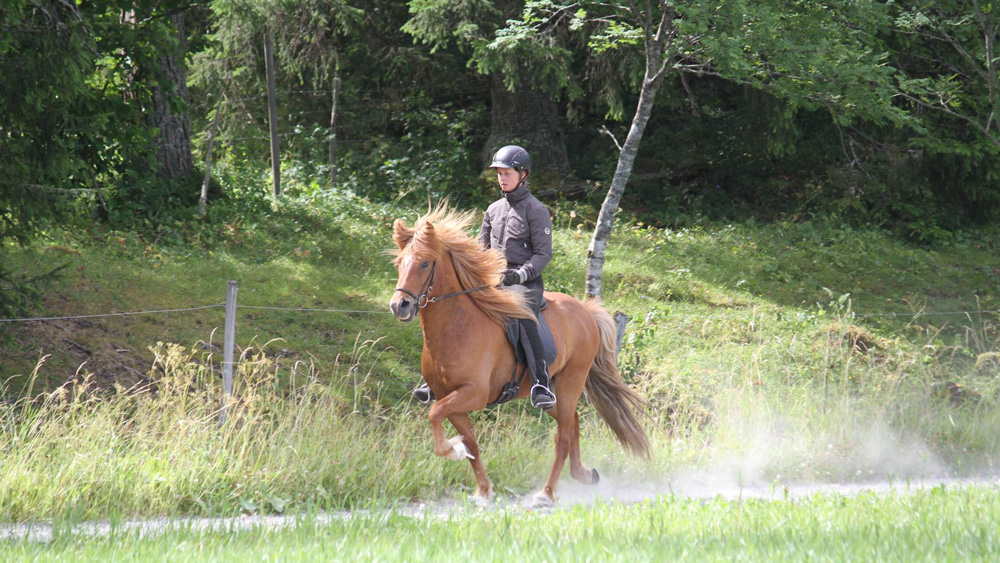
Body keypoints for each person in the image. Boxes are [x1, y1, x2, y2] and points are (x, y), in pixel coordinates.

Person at [413, 145, 557, 410]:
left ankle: (541, 383)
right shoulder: (493, 210)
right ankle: (435, 378)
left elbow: (542, 254)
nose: (502, 178)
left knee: (522, 319)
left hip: (525, 282)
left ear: (523, 174)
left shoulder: (536, 210)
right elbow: (482, 249)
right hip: (492, 280)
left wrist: (520, 274)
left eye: (507, 173)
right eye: (499, 173)